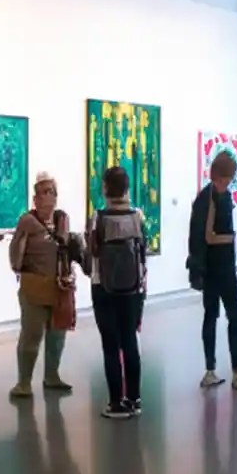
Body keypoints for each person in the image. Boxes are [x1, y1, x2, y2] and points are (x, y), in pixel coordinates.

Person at [188, 153, 237, 391]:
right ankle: (212, 369)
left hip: (225, 265)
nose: (229, 181)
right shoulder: (207, 199)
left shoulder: (223, 196)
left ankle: (234, 370)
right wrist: (229, 238)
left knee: (232, 315)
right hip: (213, 267)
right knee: (214, 315)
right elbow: (205, 236)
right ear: (219, 175)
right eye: (228, 177)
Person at [8, 172, 76, 398]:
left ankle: (52, 375)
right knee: (31, 336)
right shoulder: (27, 221)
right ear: (35, 198)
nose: (49, 197)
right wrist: (20, 268)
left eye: (52, 192)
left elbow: (70, 248)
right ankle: (23, 382)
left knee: (58, 335)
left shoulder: (63, 219)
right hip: (34, 286)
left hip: (59, 288)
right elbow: (15, 254)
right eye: (44, 192)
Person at [87, 166, 147, 420]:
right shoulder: (137, 216)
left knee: (110, 346)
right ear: (127, 188)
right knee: (130, 342)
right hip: (133, 289)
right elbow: (143, 254)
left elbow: (91, 254)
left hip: (104, 288)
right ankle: (134, 399)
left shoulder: (97, 218)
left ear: (105, 187)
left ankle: (115, 402)